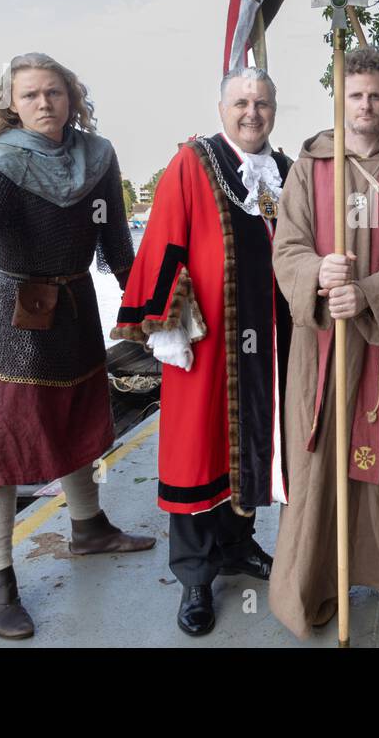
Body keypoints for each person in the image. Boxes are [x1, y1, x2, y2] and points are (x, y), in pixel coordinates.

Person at [0, 52, 154, 641]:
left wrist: (147, 302)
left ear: (72, 97)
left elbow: (118, 246)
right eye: (30, 95)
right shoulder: (1, 163)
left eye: (54, 92)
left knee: (77, 420)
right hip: (18, 322)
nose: (44, 103)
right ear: (12, 106)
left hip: (77, 312)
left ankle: (90, 527)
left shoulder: (98, 158)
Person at [269, 46, 379, 637]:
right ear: (338, 100)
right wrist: (318, 275)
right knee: (320, 462)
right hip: (323, 345)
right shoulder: (309, 166)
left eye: (375, 95)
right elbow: (287, 246)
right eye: (355, 96)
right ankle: (314, 588)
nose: (365, 105)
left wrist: (368, 292)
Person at [111, 67, 291, 636]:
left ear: (273, 111)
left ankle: (238, 545)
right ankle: (194, 575)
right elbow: (165, 238)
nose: (251, 113)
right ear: (221, 109)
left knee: (252, 443)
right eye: (241, 102)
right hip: (205, 340)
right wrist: (168, 327)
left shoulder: (284, 171)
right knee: (198, 448)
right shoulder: (193, 161)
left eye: (262, 103)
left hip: (269, 339)